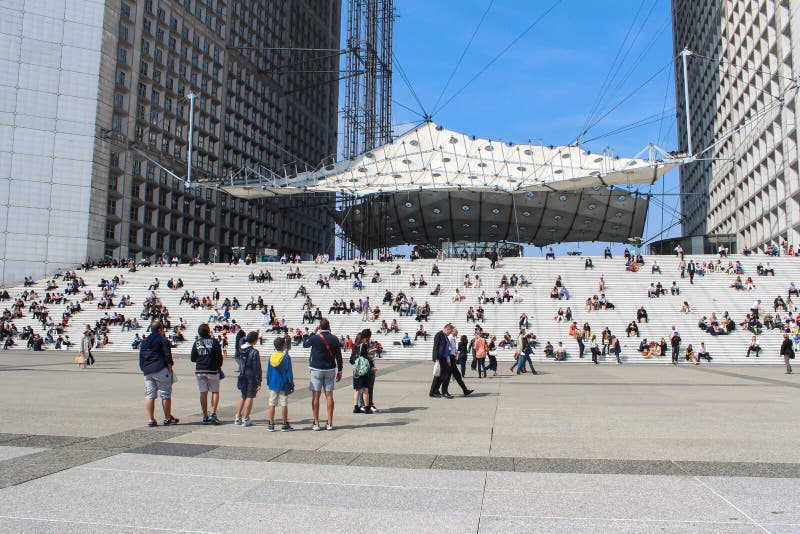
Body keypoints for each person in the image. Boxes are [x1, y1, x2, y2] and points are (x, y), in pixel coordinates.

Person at [303, 319, 343, 431]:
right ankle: (329, 422)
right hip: (330, 369)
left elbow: (305, 344)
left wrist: (312, 332)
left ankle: (316, 422)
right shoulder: (334, 339)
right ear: (329, 327)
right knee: (329, 395)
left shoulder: (315, 338)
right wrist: (340, 370)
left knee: (316, 396)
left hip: (316, 369)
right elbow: (338, 356)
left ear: (319, 327)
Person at [138, 320, 178, 427]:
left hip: (147, 370)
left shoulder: (145, 341)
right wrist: (170, 369)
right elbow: (167, 356)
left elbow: (141, 357)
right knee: (165, 394)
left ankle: (151, 419)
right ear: (160, 329)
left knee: (150, 395)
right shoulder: (162, 339)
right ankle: (167, 418)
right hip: (160, 368)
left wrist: (144, 368)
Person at [190, 323, 223, 425]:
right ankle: (213, 413)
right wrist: (218, 366)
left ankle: (205, 415)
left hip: (200, 369)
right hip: (212, 369)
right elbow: (219, 357)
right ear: (209, 331)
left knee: (203, 392)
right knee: (215, 391)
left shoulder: (197, 342)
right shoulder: (214, 342)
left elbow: (193, 358)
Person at [266, 336, 295, 432]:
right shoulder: (286, 357)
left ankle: (271, 423)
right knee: (284, 403)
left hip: (273, 383)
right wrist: (291, 383)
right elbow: (289, 372)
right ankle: (284, 423)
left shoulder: (271, 356)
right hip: (283, 383)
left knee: (272, 403)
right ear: (284, 346)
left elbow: (268, 371)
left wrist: (268, 380)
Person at [234, 331, 262, 427]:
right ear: (255, 340)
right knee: (250, 396)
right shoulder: (254, 352)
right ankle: (246, 418)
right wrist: (259, 380)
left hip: (242, 373)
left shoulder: (241, 349)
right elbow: (257, 366)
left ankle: (238, 417)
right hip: (251, 374)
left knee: (243, 395)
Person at [351, 329, 377, 413]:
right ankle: (367, 408)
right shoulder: (364, 345)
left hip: (356, 371)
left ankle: (356, 407)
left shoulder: (355, 345)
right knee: (365, 389)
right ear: (367, 337)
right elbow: (366, 359)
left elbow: (351, 360)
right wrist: (372, 366)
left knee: (357, 390)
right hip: (363, 371)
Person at [430, 323, 454, 397]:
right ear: (447, 329)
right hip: (440, 358)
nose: (450, 333)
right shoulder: (439, 334)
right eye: (450, 331)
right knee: (445, 374)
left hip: (444, 358)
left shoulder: (445, 336)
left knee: (441, 375)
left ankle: (435, 390)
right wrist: (436, 358)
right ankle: (443, 392)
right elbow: (436, 346)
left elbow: (447, 348)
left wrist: (448, 360)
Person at [448, 328, 474, 395]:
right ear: (452, 331)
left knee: (457, 375)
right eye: (456, 332)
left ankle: (465, 390)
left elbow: (457, 349)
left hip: (455, 356)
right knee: (445, 376)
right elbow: (448, 349)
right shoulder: (450, 338)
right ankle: (437, 390)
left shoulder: (458, 342)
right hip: (452, 357)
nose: (457, 333)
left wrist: (456, 355)